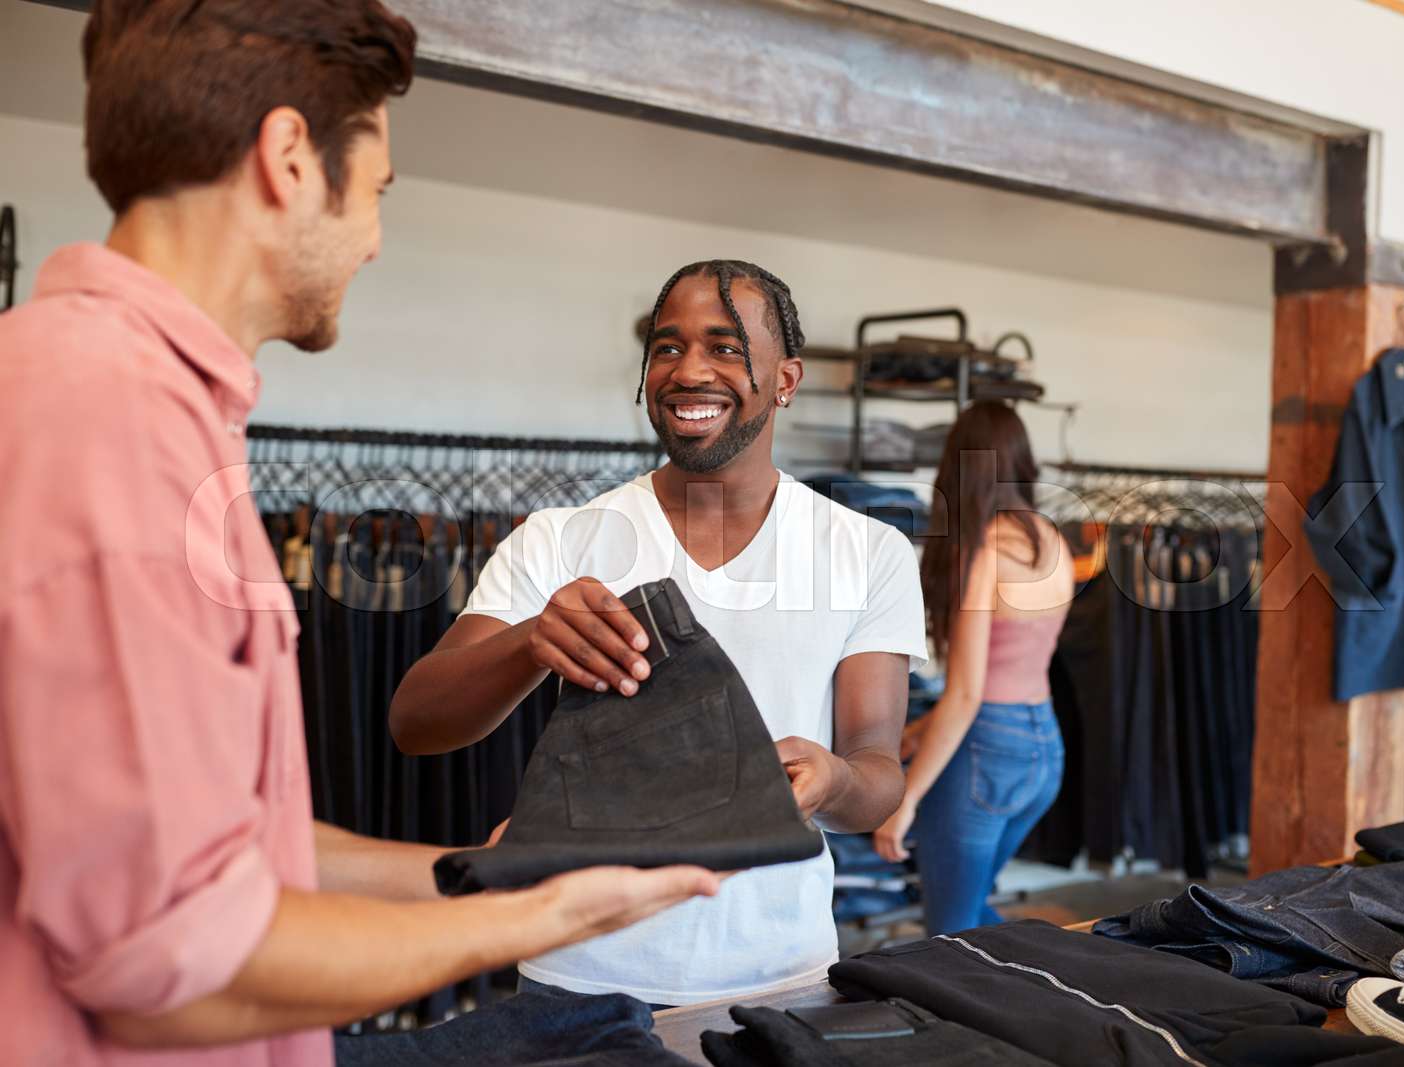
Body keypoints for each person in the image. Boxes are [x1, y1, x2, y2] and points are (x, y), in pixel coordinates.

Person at [0, 4, 717, 1064]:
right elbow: (171, 967)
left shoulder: (133, 403)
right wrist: (547, 919)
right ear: (290, 158)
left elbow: (231, 845)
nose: (375, 239)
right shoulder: (110, 425)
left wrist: (483, 867)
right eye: (375, 191)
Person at [391, 259, 928, 1007]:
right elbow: (416, 720)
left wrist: (835, 778)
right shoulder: (561, 540)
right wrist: (531, 641)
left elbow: (877, 768)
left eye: (726, 347)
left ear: (787, 379)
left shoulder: (868, 551)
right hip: (575, 979)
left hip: (782, 977)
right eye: (667, 347)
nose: (689, 370)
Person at [872, 401, 1073, 935]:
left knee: (952, 933)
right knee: (975, 912)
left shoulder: (983, 552)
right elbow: (1017, 662)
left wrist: (906, 799)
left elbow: (967, 696)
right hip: (1043, 750)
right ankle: (1044, 990)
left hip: (987, 751)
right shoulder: (1051, 540)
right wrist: (919, 731)